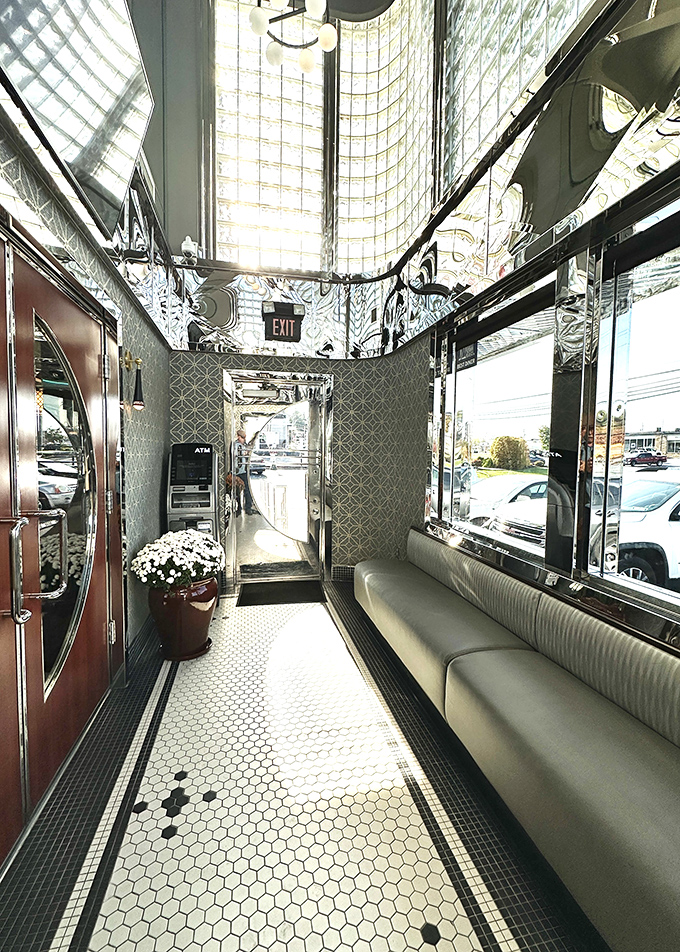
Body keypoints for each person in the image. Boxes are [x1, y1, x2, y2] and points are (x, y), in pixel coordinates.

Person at [230, 429, 255, 515]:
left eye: (244, 438)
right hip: (237, 471)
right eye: (242, 437)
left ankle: (247, 507)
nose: (243, 439)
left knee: (247, 490)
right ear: (238, 436)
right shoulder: (235, 445)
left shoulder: (244, 445)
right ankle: (238, 508)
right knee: (237, 491)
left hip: (243, 470)